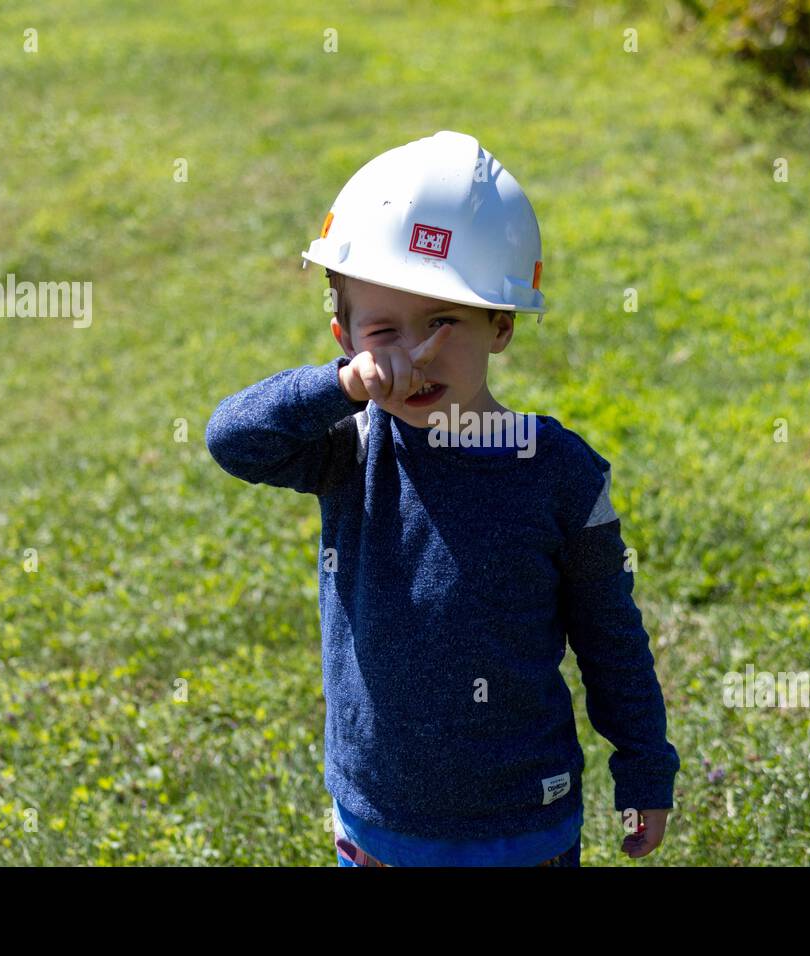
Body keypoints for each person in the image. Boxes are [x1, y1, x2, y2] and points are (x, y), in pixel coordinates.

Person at [206, 131, 680, 867]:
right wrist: (336, 387)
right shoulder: (352, 446)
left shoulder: (561, 475)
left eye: (443, 322)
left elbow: (610, 637)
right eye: (384, 330)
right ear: (345, 336)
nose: (414, 355)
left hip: (525, 824)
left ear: (502, 325)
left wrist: (644, 765)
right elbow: (231, 439)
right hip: (378, 821)